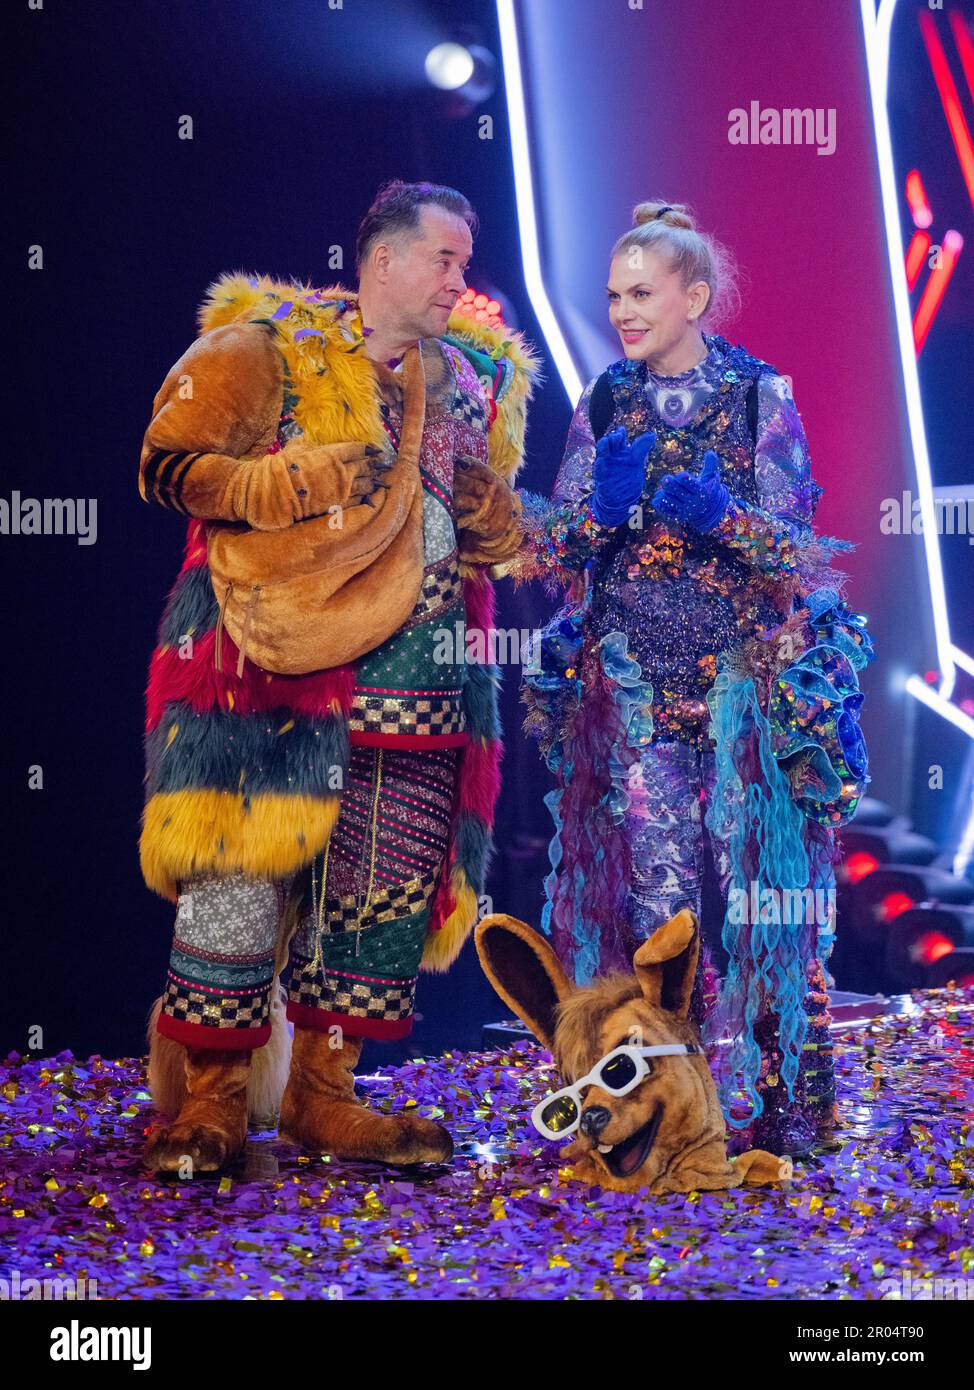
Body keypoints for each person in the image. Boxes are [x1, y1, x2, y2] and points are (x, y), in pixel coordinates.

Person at [138, 180, 539, 1173]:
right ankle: (210, 1105)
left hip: (418, 686)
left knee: (377, 899)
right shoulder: (264, 349)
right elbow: (163, 464)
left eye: (463, 259)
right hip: (263, 678)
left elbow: (484, 524)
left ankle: (324, 1095)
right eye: (442, 257)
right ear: (381, 263)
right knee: (234, 887)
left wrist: (497, 525)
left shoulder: (473, 383)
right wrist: (264, 486)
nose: (458, 277)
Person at [517, 200, 874, 1155]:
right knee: (659, 912)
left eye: (641, 293)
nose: (623, 311)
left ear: (695, 296)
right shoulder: (605, 398)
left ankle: (796, 1095)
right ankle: (681, 1103)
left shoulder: (761, 395)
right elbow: (556, 546)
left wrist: (723, 514)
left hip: (742, 692)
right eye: (613, 296)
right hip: (637, 685)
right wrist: (601, 510)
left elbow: (800, 554)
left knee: (763, 898)